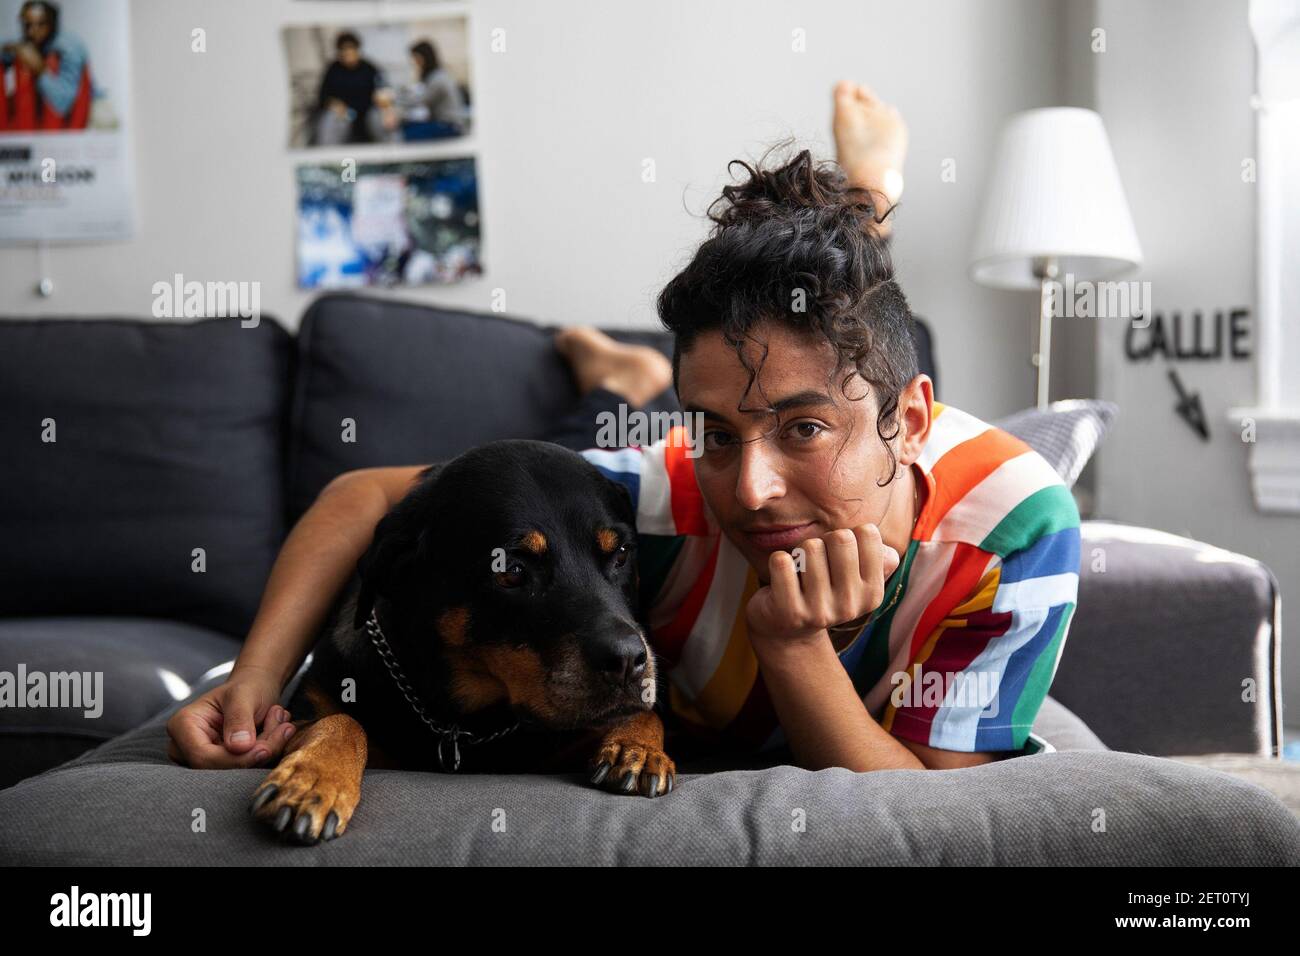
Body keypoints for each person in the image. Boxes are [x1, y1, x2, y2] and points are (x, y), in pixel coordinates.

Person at [168, 83, 1079, 773]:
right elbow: (365, 495)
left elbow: (938, 820)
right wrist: (251, 680)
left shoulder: (1011, 531)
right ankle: (637, 378)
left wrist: (791, 645)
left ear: (910, 418)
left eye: (804, 429)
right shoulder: (679, 494)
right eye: (717, 430)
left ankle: (865, 200)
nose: (751, 491)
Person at [0, 0, 92, 131]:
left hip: (79, 111)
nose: (33, 31)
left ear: (53, 25)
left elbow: (62, 104)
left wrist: (40, 69)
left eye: (40, 25)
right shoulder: (25, 40)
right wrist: (11, 48)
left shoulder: (70, 48)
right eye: (27, 25)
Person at [313, 31, 385, 146]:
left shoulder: (370, 68)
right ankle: (329, 159)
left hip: (367, 112)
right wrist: (334, 104)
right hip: (343, 113)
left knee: (381, 119)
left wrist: (381, 102)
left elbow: (382, 89)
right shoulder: (333, 69)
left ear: (357, 50)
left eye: (350, 49)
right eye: (343, 50)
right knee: (330, 120)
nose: (347, 53)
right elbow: (323, 95)